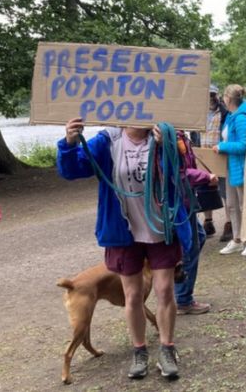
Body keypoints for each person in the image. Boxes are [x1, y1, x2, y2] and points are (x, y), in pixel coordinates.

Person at [57, 120, 190, 380]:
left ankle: (167, 348)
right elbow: (73, 170)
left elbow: (182, 172)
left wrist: (167, 147)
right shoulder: (108, 139)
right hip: (123, 231)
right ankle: (139, 351)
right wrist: (69, 143)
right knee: (133, 295)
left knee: (165, 290)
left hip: (161, 227)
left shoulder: (166, 134)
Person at [174, 131, 216, 316]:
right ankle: (183, 299)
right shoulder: (169, 136)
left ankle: (179, 293)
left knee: (199, 236)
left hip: (186, 200)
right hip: (178, 203)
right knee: (188, 248)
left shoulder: (180, 134)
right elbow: (178, 172)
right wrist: (205, 177)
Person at [214, 84, 246, 256]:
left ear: (228, 98)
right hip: (231, 166)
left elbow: (245, 145)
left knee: (245, 204)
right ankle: (237, 238)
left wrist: (222, 147)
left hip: (242, 166)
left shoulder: (241, 118)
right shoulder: (231, 116)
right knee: (232, 205)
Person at [199, 85, 232, 241]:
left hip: (221, 154)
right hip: (203, 155)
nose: (211, 98)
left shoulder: (225, 113)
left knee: (226, 191)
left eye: (213, 95)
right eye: (208, 95)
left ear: (217, 96)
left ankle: (229, 223)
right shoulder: (199, 114)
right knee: (205, 189)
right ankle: (208, 222)